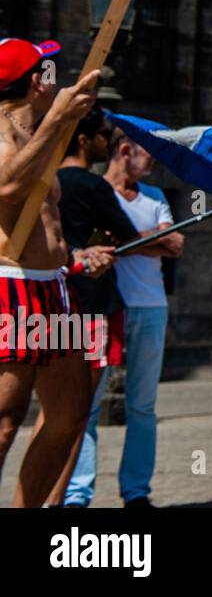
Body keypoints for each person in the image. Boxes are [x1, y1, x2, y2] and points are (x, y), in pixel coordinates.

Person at [0, 38, 113, 506]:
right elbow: (6, 185)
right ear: (35, 82)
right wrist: (63, 118)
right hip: (11, 285)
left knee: (68, 417)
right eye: (49, 72)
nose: (56, 81)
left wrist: (75, 258)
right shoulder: (3, 133)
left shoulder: (39, 136)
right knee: (5, 420)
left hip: (55, 288)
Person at [67, 130, 183, 508]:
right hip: (104, 308)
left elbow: (176, 244)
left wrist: (125, 240)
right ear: (124, 150)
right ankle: (77, 494)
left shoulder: (156, 197)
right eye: (147, 154)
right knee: (87, 404)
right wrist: (154, 240)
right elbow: (158, 242)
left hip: (151, 308)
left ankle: (136, 493)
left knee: (143, 405)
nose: (153, 162)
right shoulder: (94, 192)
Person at [36, 107, 144, 506]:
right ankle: (61, 500)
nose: (108, 142)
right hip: (92, 308)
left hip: (55, 304)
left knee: (50, 413)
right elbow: (133, 236)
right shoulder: (91, 186)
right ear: (83, 140)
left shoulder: (48, 181)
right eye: (102, 134)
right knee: (78, 413)